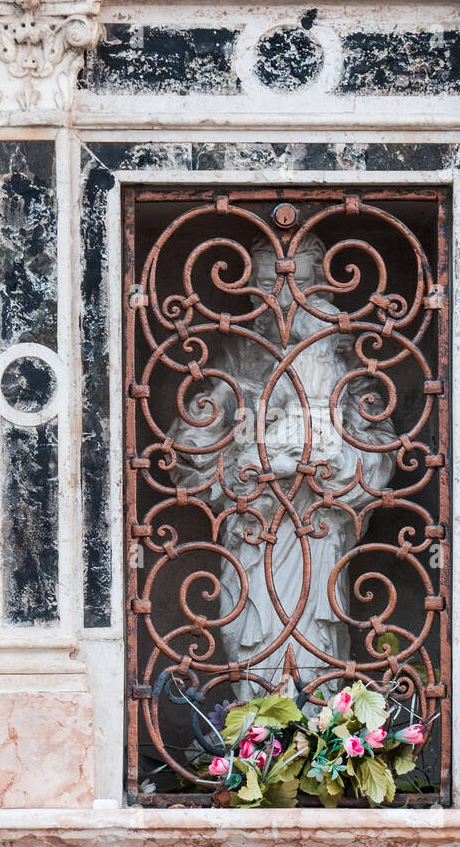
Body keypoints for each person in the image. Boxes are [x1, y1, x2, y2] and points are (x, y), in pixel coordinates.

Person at [166, 233, 396, 699]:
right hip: (255, 530)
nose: (284, 296)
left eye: (300, 284)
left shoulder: (345, 364)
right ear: (250, 290)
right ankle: (253, 745)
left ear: (323, 289)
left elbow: (384, 452)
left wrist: (333, 459)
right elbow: (186, 452)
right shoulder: (236, 360)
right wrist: (248, 461)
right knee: (246, 635)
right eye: (270, 284)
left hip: (319, 530)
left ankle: (317, 746)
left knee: (318, 642)